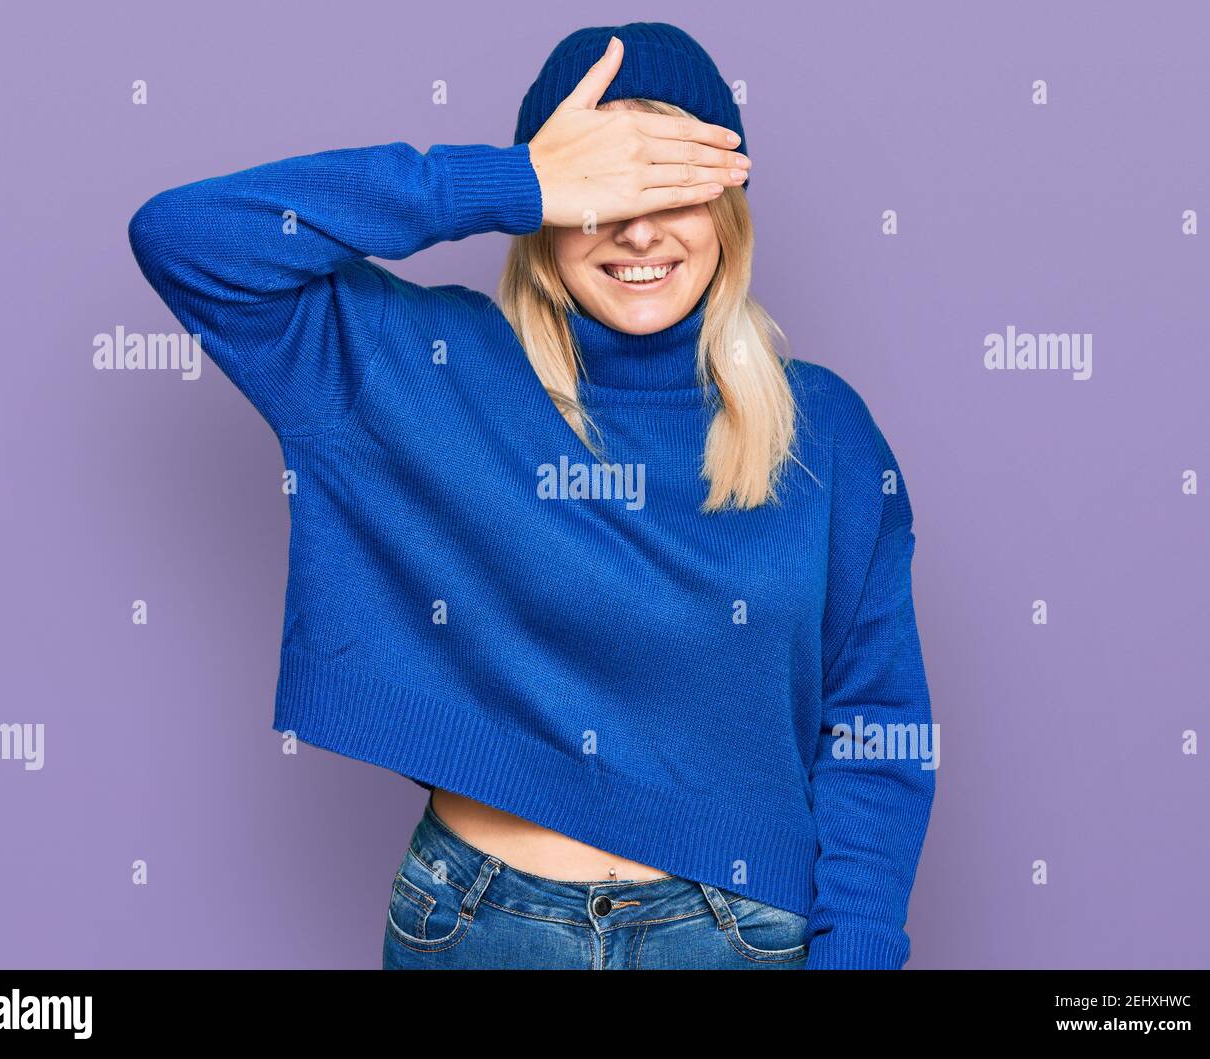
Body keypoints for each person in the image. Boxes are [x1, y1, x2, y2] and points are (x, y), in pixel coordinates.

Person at [128, 21, 936, 970]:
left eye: (670, 187)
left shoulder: (825, 431)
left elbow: (875, 721)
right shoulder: (423, 368)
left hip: (738, 935)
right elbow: (185, 237)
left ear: (728, 206)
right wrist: (508, 182)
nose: (637, 229)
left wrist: (861, 954)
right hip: (479, 924)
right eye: (604, 190)